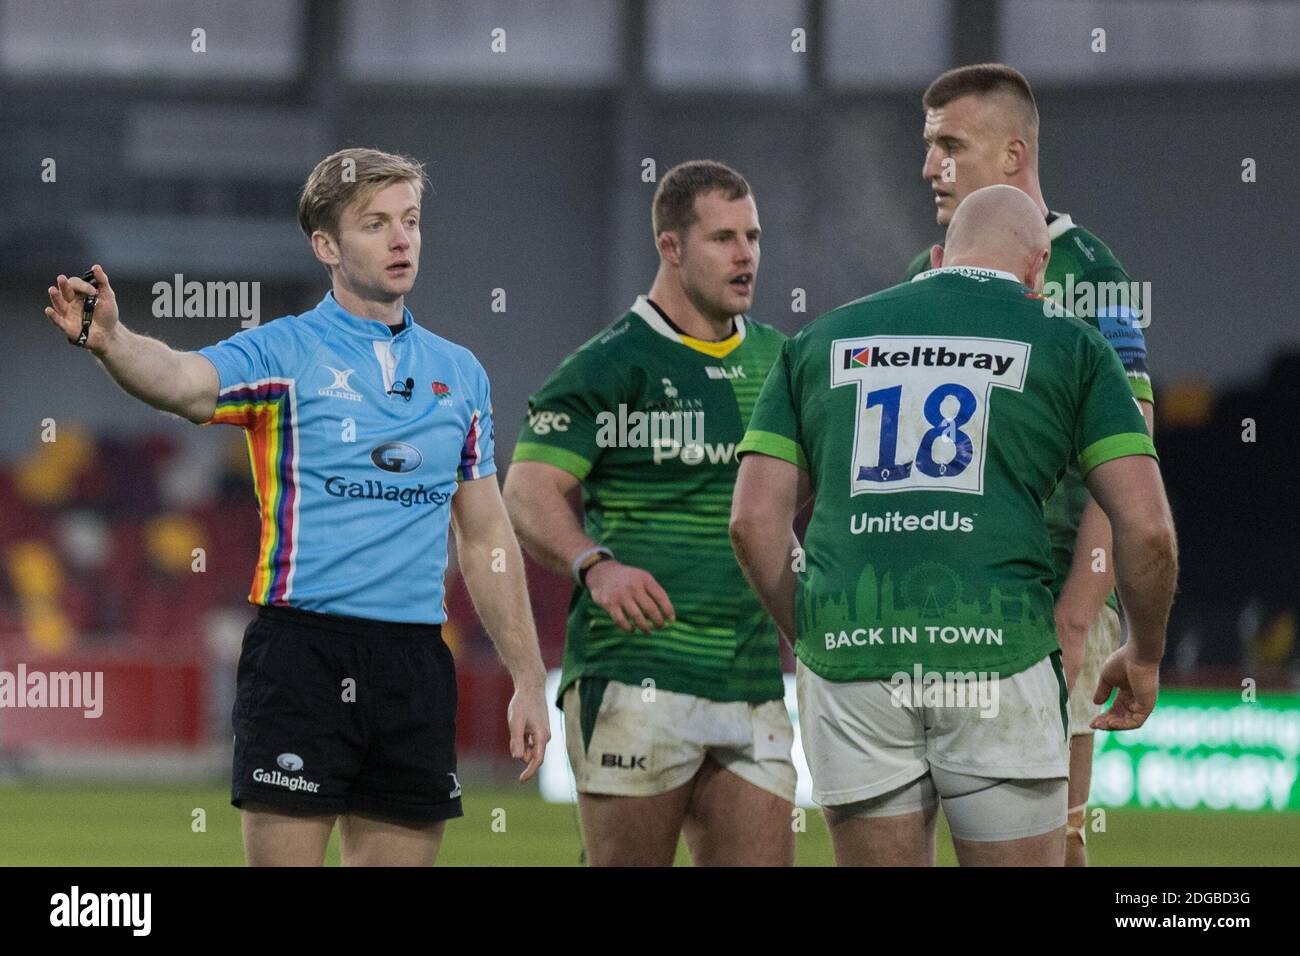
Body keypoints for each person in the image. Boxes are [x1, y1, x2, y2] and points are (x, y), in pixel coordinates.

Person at [43, 147, 550, 866]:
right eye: (375, 224)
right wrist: (114, 342)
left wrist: (528, 677)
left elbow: (486, 532)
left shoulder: (461, 374)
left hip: (413, 663)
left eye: (410, 220)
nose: (402, 238)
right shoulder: (286, 351)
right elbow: (186, 383)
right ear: (326, 245)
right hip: (301, 656)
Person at [731, 185, 1177, 866]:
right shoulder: (1071, 343)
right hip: (998, 654)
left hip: (853, 658)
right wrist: (1143, 652)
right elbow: (1146, 530)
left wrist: (817, 625)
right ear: (1036, 271)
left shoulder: (820, 339)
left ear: (938, 258)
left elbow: (753, 522)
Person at [504, 161, 795, 866]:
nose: (746, 254)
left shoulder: (782, 361)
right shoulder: (609, 364)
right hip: (636, 676)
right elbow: (527, 489)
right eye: (723, 237)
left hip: (752, 679)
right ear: (671, 246)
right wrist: (593, 565)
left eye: (753, 236)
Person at [904, 63, 1156, 863]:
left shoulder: (1094, 277)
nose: (929, 167)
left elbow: (1131, 456)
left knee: (1054, 840)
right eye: (928, 145)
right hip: (943, 600)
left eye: (951, 145)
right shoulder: (925, 275)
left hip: (1047, 595)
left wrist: (1079, 611)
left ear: (1013, 156)